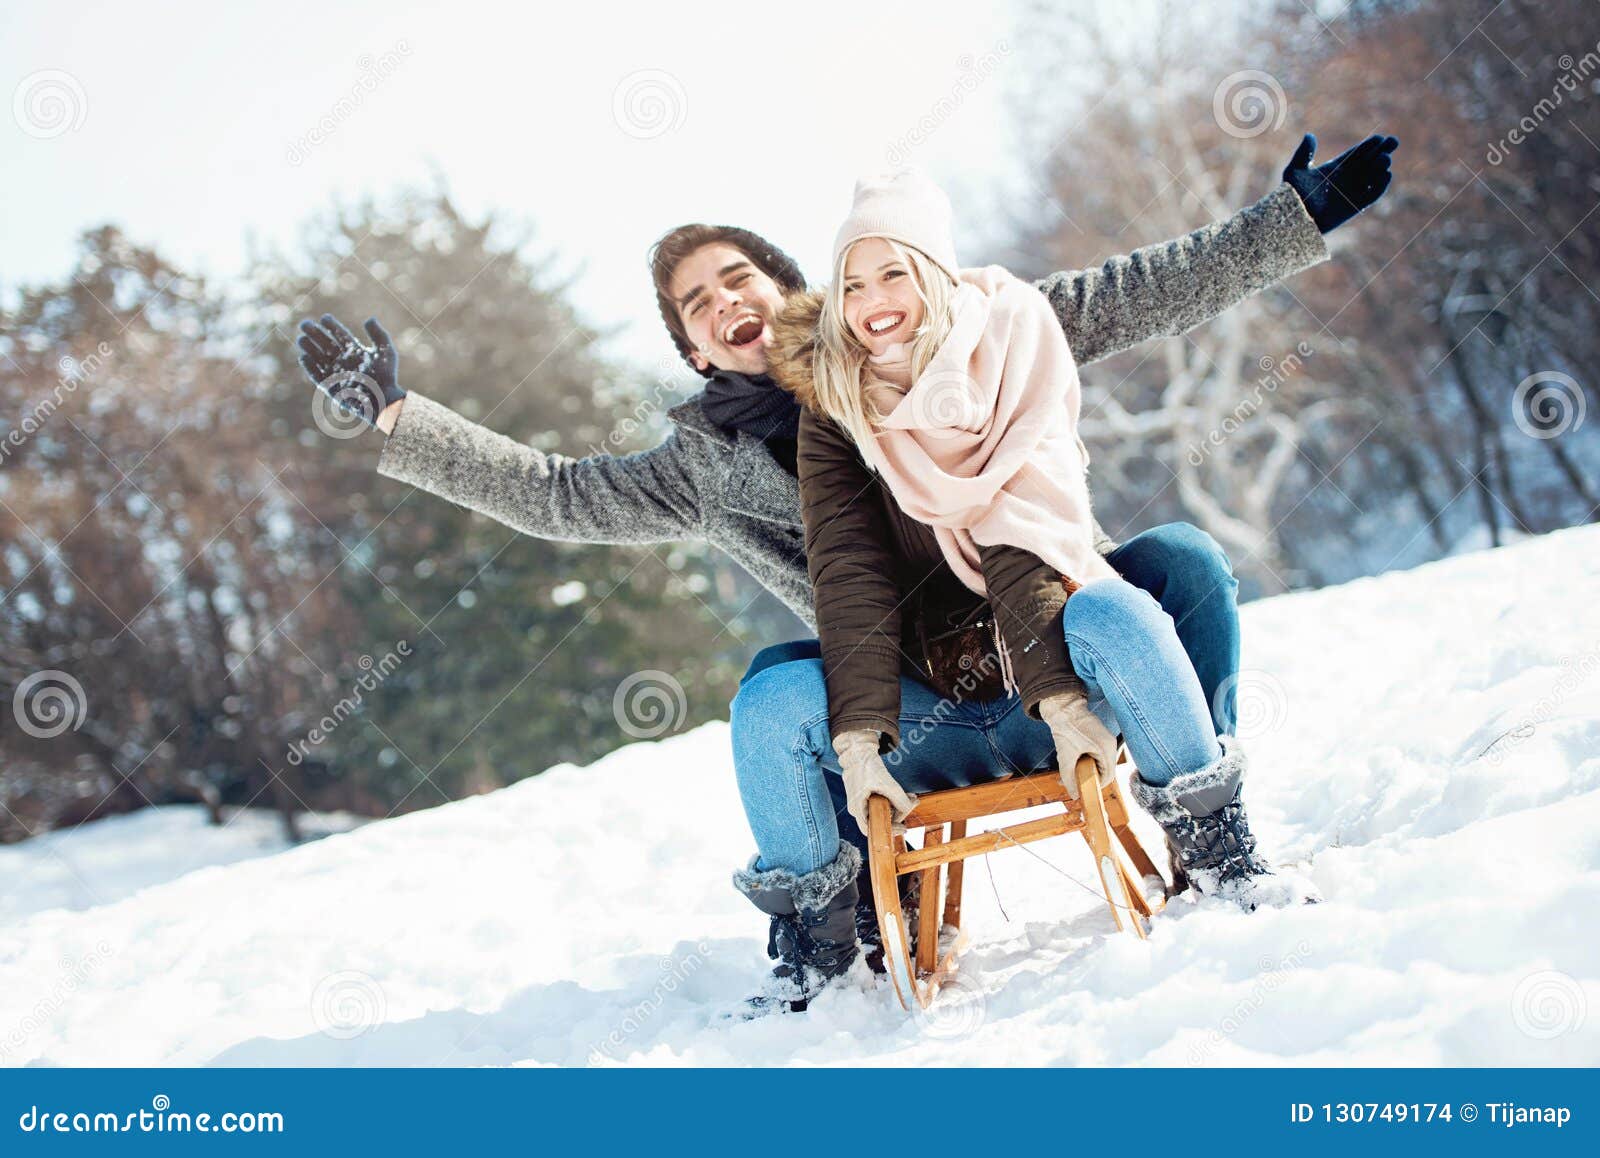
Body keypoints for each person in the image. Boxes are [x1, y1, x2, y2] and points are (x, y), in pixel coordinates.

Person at [294, 132, 1397, 1011]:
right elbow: (555, 493)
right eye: (695, 304)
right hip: (911, 715)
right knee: (777, 682)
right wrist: (398, 418)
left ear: (788, 287)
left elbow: (1134, 292)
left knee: (1178, 563)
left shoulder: (943, 324)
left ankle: (1203, 808)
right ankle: (827, 932)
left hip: (1059, 647)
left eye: (738, 277)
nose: (724, 301)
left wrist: (1293, 220)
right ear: (692, 349)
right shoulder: (703, 467)